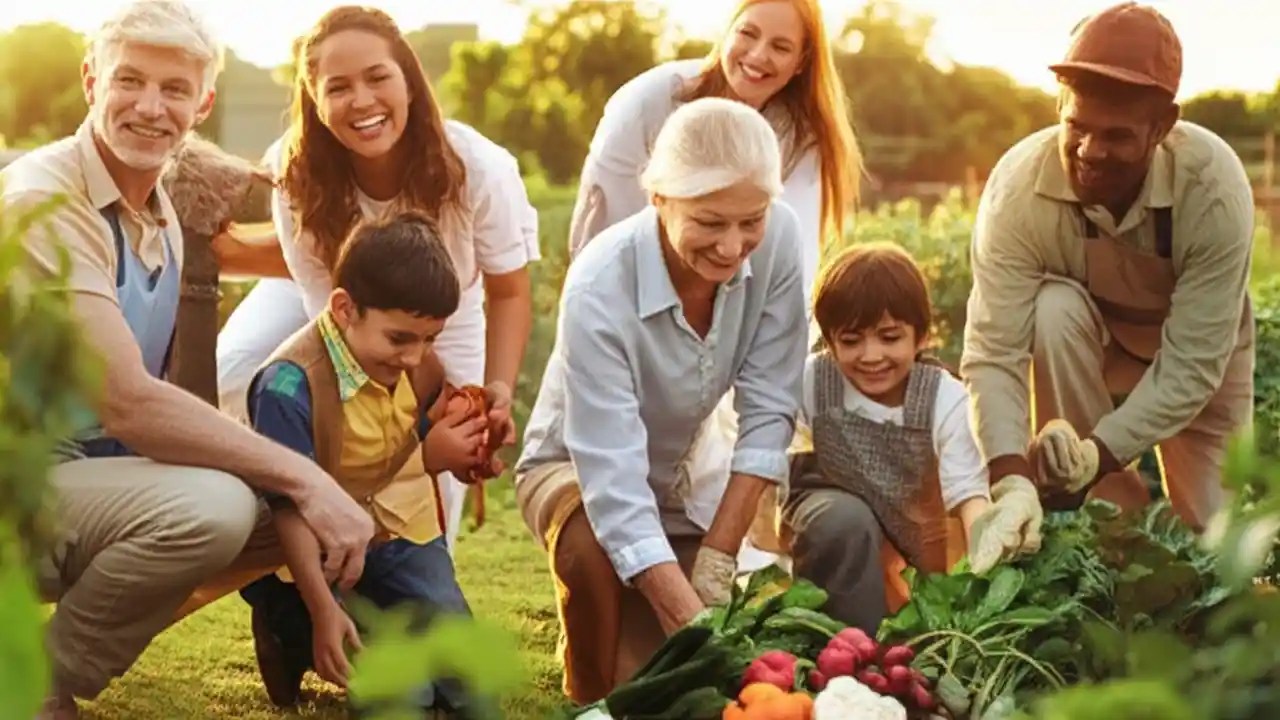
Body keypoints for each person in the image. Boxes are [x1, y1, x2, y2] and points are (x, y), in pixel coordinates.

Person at [2, 2, 373, 718]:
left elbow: (169, 406)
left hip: (79, 478)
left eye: (174, 90)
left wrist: (309, 481)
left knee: (285, 509)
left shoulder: (162, 214)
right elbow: (127, 401)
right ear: (90, 83)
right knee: (224, 504)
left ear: (202, 103)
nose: (150, 107)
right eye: (129, 81)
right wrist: (299, 474)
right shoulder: (45, 199)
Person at [515, 97, 808, 703]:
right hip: (572, 468)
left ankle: (633, 618)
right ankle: (589, 682)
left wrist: (719, 558)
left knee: (679, 684)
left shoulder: (780, 240)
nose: (732, 246)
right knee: (600, 575)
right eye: (709, 221)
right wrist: (688, 616)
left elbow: (770, 404)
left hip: (679, 477)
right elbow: (613, 479)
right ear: (659, 199)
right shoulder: (601, 285)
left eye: (750, 219)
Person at [214, 5, 539, 550]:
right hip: (333, 306)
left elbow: (509, 292)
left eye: (377, 78)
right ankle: (272, 525)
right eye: (338, 87)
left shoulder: (479, 168)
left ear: (409, 83)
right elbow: (335, 327)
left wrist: (492, 392)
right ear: (314, 102)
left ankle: (410, 571)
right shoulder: (295, 172)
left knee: (448, 441)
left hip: (446, 319)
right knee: (238, 370)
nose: (362, 101)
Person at [566, 0, 863, 571]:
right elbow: (599, 232)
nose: (757, 56)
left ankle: (708, 557)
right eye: (748, 34)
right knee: (614, 477)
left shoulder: (801, 139)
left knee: (714, 480)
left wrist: (753, 364)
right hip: (639, 311)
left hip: (730, 321)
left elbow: (780, 266)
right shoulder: (652, 100)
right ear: (726, 31)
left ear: (803, 62)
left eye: (781, 46)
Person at [960, 2, 1255, 532]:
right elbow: (994, 351)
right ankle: (1105, 518)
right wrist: (1010, 478)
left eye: (1117, 135)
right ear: (1059, 107)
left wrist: (1100, 450)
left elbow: (1192, 364)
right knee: (1053, 310)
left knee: (1217, 541)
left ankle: (1127, 493)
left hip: (1197, 347)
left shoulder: (1212, 189)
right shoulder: (1018, 191)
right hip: (1095, 335)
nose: (1090, 151)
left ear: (1163, 125)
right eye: (1076, 126)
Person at [239, 210, 497, 715]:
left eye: (429, 339)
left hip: (401, 534)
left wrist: (460, 452)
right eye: (400, 338)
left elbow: (412, 432)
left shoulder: (418, 364)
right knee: (404, 698)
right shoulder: (288, 388)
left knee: (471, 687)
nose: (414, 355)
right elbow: (291, 508)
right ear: (343, 309)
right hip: (317, 557)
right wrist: (321, 610)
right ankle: (285, 626)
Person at [784, 243, 1043, 635]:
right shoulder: (811, 381)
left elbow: (967, 494)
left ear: (921, 336)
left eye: (890, 338)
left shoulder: (944, 398)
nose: (871, 356)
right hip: (839, 522)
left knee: (924, 620)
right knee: (842, 522)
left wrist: (989, 553)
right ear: (830, 341)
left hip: (919, 535)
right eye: (851, 340)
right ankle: (846, 650)